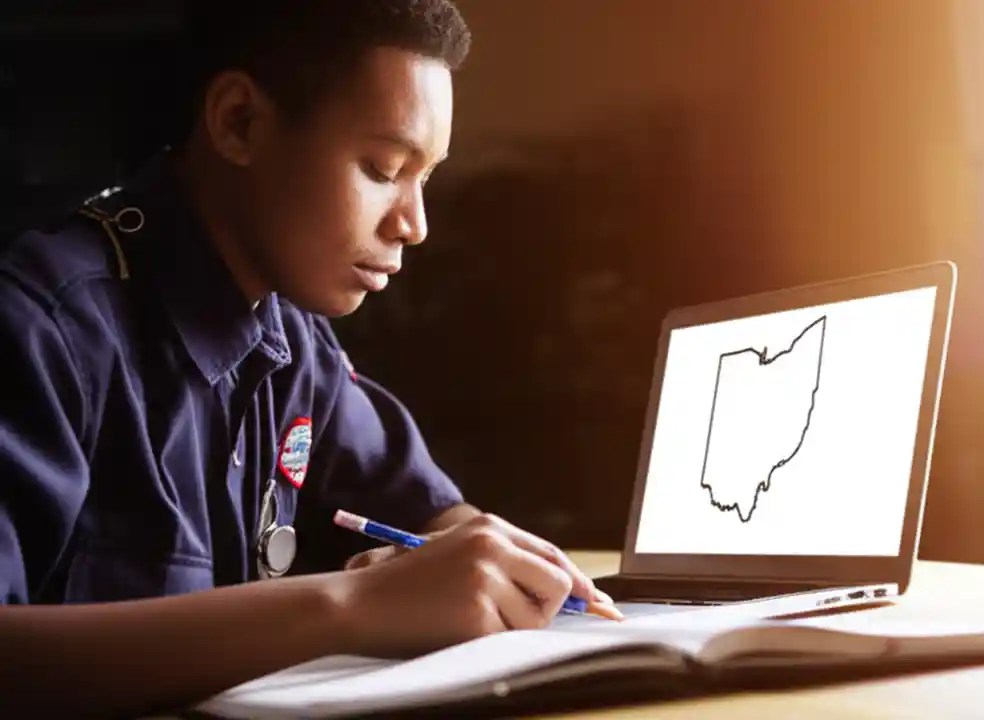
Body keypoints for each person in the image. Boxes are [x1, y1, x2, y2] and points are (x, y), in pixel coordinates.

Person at [0, 1, 618, 714]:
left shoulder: (291, 337)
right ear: (240, 122)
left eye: (426, 177)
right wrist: (350, 606)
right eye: (385, 167)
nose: (414, 224)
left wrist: (476, 556)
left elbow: (433, 515)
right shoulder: (44, 328)